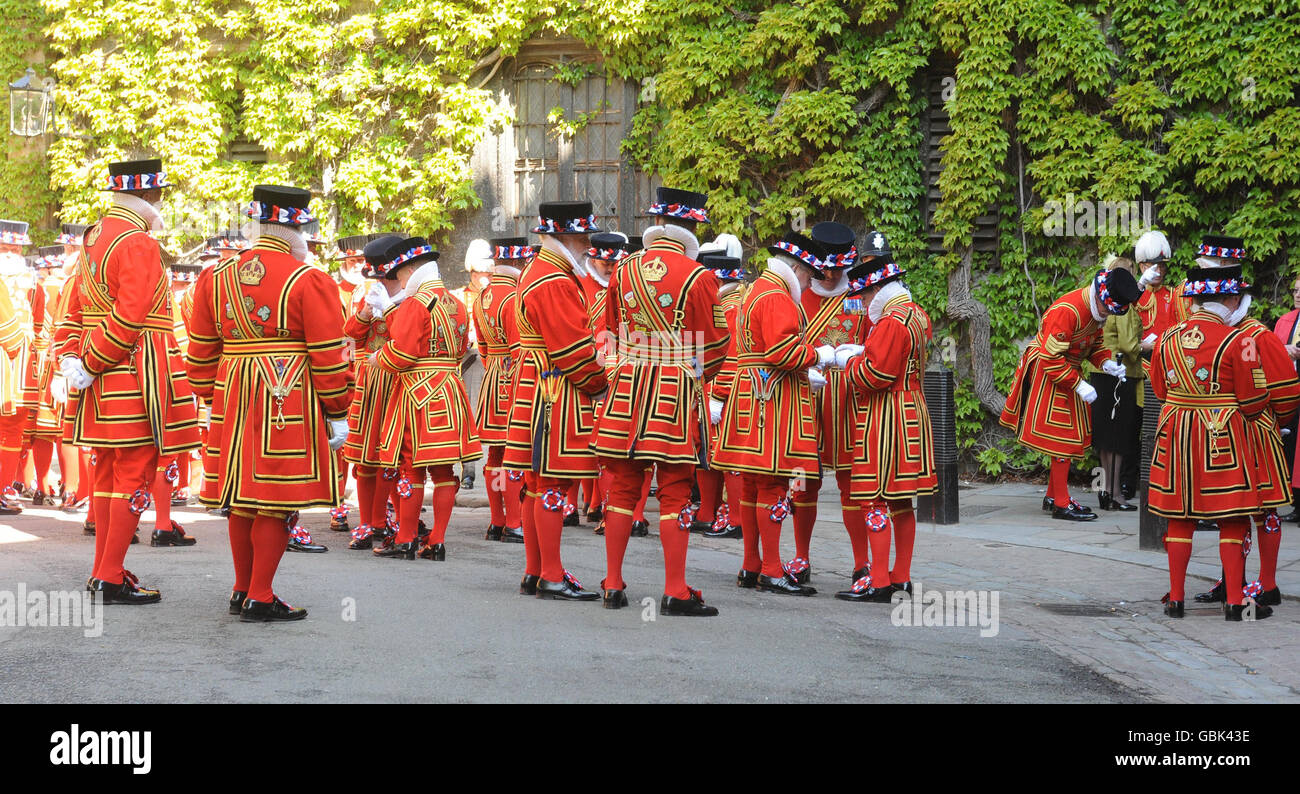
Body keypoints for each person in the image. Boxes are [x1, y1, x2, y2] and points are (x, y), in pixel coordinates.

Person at [186, 184, 351, 621]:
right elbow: (328, 355)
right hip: (285, 394)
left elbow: (200, 351)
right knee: (275, 499)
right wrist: (338, 409)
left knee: (240, 498)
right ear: (296, 226)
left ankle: (242, 588)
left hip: (232, 392)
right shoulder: (309, 278)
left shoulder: (215, 275)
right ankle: (261, 595)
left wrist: (210, 396)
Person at [56, 159, 201, 604]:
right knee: (134, 474)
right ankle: (112, 574)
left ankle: (102, 570)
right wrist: (94, 360)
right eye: (160, 193)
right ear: (147, 196)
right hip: (136, 373)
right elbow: (131, 315)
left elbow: (76, 309)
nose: (163, 201)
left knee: (105, 471)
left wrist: (74, 359)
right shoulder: (137, 241)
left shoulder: (94, 237)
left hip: (101, 377)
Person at [590, 187, 729, 615]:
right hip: (672, 389)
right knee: (674, 491)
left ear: (656, 224)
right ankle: (675, 589)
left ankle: (613, 583)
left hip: (628, 386)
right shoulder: (698, 275)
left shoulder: (624, 269)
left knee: (624, 486)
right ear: (692, 227)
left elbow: (611, 329)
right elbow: (715, 343)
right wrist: (698, 369)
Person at [710, 231, 846, 595]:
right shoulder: (777, 296)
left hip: (750, 397)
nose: (808, 283)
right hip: (772, 402)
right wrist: (823, 357)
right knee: (773, 484)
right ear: (797, 268)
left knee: (753, 486)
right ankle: (771, 568)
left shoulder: (755, 289)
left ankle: (752, 565)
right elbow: (782, 352)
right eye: (807, 276)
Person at [1148, 236, 1274, 621]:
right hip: (1223, 437)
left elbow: (1158, 387)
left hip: (1176, 434)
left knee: (1180, 517)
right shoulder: (1243, 340)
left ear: (1197, 301)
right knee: (1231, 517)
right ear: (1232, 301)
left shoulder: (1167, 338)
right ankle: (1235, 603)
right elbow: (1254, 401)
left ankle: (1176, 599)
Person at [502, 201, 608, 600]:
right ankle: (550, 573)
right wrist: (599, 384)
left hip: (536, 383)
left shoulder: (543, 269)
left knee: (535, 483)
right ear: (564, 237)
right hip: (555, 390)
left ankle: (536, 571)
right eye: (583, 238)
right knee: (551, 482)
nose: (588, 246)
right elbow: (573, 349)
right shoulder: (554, 279)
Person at [1192, 252, 1300, 608]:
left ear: (1233, 300)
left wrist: (1275, 425)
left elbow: (1286, 388)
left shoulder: (1256, 335)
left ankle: (1267, 584)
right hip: (1224, 438)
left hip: (1255, 435)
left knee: (1265, 510)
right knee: (1230, 514)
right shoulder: (1216, 332)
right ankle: (1232, 583)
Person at [369, 236, 482, 560]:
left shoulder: (416, 303)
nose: (399, 280)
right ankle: (438, 540)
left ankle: (405, 538)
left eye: (401, 274)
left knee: (411, 467)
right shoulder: (457, 303)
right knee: (445, 470)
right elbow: (461, 350)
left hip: (417, 393)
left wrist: (378, 359)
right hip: (449, 388)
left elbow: (402, 353)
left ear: (413, 269)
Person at [999, 266, 1143, 520]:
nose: (1109, 314)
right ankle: (1061, 503)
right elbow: (1049, 358)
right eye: (1109, 309)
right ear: (1100, 298)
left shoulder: (1095, 310)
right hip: (1050, 372)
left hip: (1068, 371)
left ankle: (1054, 497)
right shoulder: (1068, 310)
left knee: (1072, 435)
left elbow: (1095, 344)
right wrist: (1079, 384)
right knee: (1063, 438)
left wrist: (1105, 363)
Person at [833, 253, 935, 602]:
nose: (860, 302)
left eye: (863, 295)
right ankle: (901, 578)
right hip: (912, 410)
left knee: (872, 498)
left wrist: (849, 362)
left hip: (886, 414)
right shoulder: (917, 315)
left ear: (876, 289)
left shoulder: (891, 321)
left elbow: (875, 375)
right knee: (901, 501)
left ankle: (878, 581)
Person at [785, 222, 870, 584]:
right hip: (808, 396)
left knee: (854, 483)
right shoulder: (796, 294)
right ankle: (801, 557)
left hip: (850, 399)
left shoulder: (865, 295)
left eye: (839, 268)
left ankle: (862, 564)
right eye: (825, 268)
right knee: (803, 481)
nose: (832, 274)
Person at [341, 234, 403, 550]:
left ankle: (383, 518)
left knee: (391, 455)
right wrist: (365, 314)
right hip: (369, 377)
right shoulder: (363, 292)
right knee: (365, 456)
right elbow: (349, 337)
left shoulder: (411, 291)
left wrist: (390, 310)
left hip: (395, 377)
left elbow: (406, 337)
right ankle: (367, 522)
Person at [472, 237, 531, 543]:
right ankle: (514, 521)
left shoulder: (482, 296)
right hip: (514, 377)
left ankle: (496, 521)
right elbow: (520, 348)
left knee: (495, 454)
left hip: (492, 375)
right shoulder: (515, 297)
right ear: (519, 263)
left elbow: (482, 348)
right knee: (515, 455)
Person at [1089, 257, 1143, 511]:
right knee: (1119, 438)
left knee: (1104, 437)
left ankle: (1104, 490)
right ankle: (1115, 494)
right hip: (1122, 373)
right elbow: (1129, 344)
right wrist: (1150, 347)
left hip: (1100, 371)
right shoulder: (1123, 305)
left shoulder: (1104, 301)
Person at [0, 220, 34, 515]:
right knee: (10, 426)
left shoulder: (23, 281)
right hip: (8, 363)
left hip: (17, 366)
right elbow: (10, 333)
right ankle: (2, 488)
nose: (11, 253)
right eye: (5, 248)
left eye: (16, 248)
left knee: (14, 427)